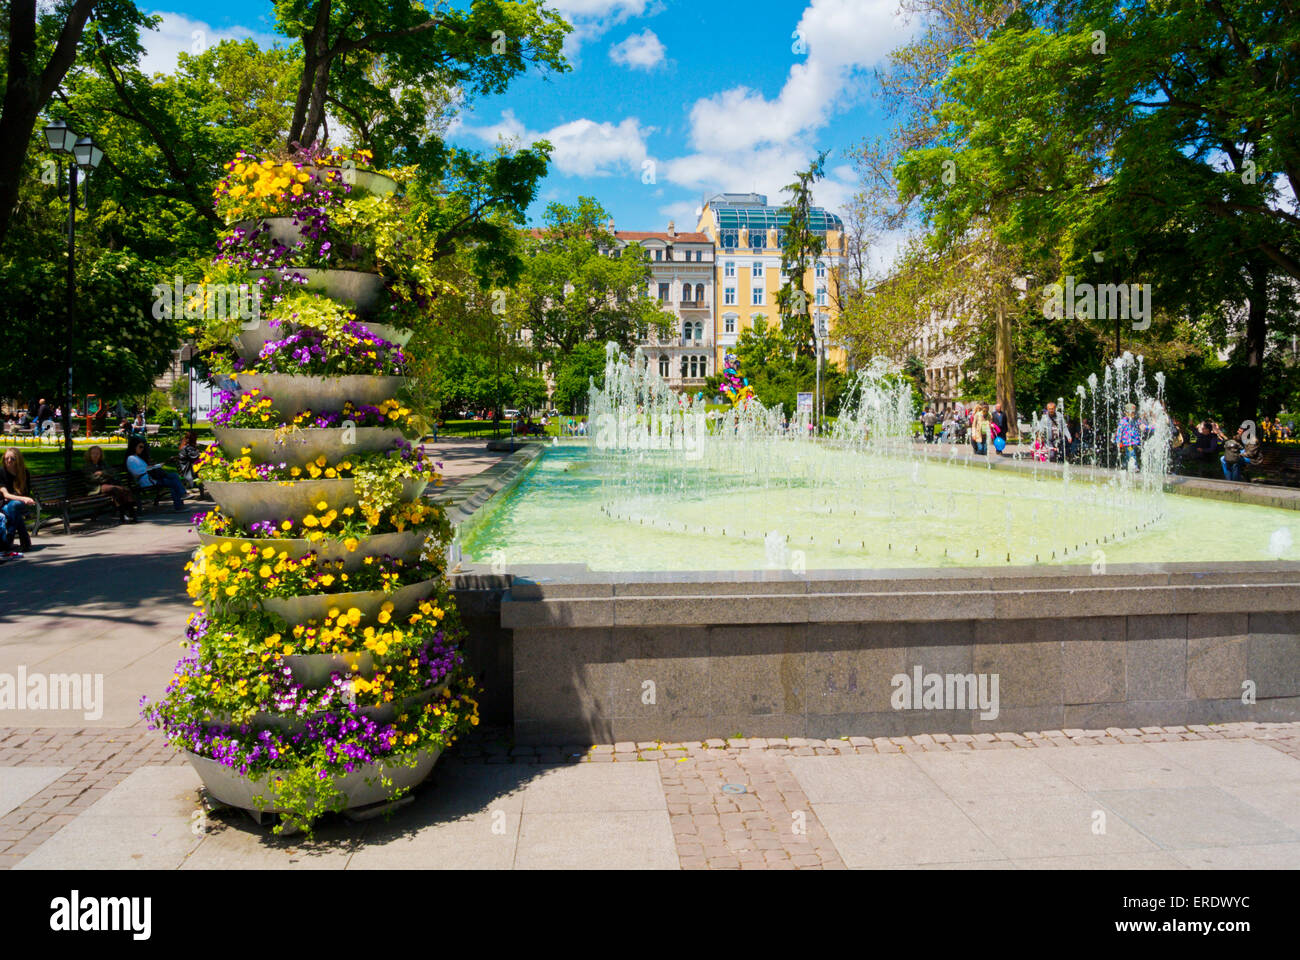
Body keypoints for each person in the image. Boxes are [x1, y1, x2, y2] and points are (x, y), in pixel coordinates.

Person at [125, 438, 188, 511]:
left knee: (174, 475)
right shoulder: (131, 459)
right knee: (174, 483)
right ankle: (180, 503)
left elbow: (146, 468)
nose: (142, 449)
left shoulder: (137, 457)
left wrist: (155, 466)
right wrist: (152, 468)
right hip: (147, 481)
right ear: (134, 446)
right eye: (140, 447)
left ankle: (182, 497)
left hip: (152, 478)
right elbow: (137, 472)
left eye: (143, 447)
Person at [83, 446, 138, 523]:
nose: (95, 455)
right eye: (93, 453)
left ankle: (132, 514)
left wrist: (102, 473)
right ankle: (123, 514)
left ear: (100, 455)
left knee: (125, 490)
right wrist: (106, 476)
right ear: (89, 455)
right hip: (96, 488)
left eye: (97, 453)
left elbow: (113, 473)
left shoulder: (103, 464)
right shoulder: (87, 466)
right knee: (115, 489)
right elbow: (94, 479)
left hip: (108, 485)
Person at [0, 447, 36, 552]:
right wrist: (23, 498)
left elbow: (25, 492)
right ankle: (24, 539)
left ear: (18, 460)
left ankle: (9, 539)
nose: (9, 461)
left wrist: (20, 498)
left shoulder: (24, 473)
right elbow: (6, 495)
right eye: (6, 458)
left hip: (18, 504)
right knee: (12, 507)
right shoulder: (1, 472)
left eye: (12, 458)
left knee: (13, 506)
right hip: (3, 504)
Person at [1114, 403, 1143, 468]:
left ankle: (1125, 464)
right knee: (1131, 453)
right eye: (1130, 413)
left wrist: (1144, 427)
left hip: (1136, 442)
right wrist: (1118, 441)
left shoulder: (1136, 420)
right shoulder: (1123, 421)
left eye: (1133, 413)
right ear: (1126, 413)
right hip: (1128, 442)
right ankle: (1134, 467)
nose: (1132, 414)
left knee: (1130, 454)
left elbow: (1141, 426)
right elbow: (1119, 432)